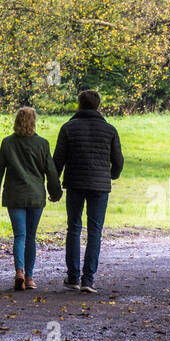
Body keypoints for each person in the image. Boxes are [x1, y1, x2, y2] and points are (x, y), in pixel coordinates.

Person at [53, 88, 123, 294]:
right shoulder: (110, 130)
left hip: (75, 183)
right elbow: (118, 161)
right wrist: (112, 175)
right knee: (95, 231)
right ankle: (88, 280)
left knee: (73, 228)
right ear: (98, 105)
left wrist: (53, 182)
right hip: (99, 186)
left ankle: (73, 277)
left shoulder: (68, 128)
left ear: (79, 104)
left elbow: (58, 160)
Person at [0, 106, 62, 291]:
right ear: (33, 122)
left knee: (19, 235)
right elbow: (51, 172)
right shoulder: (42, 144)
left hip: (14, 195)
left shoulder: (7, 143)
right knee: (31, 236)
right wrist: (56, 192)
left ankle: (19, 271)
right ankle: (29, 278)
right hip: (35, 196)